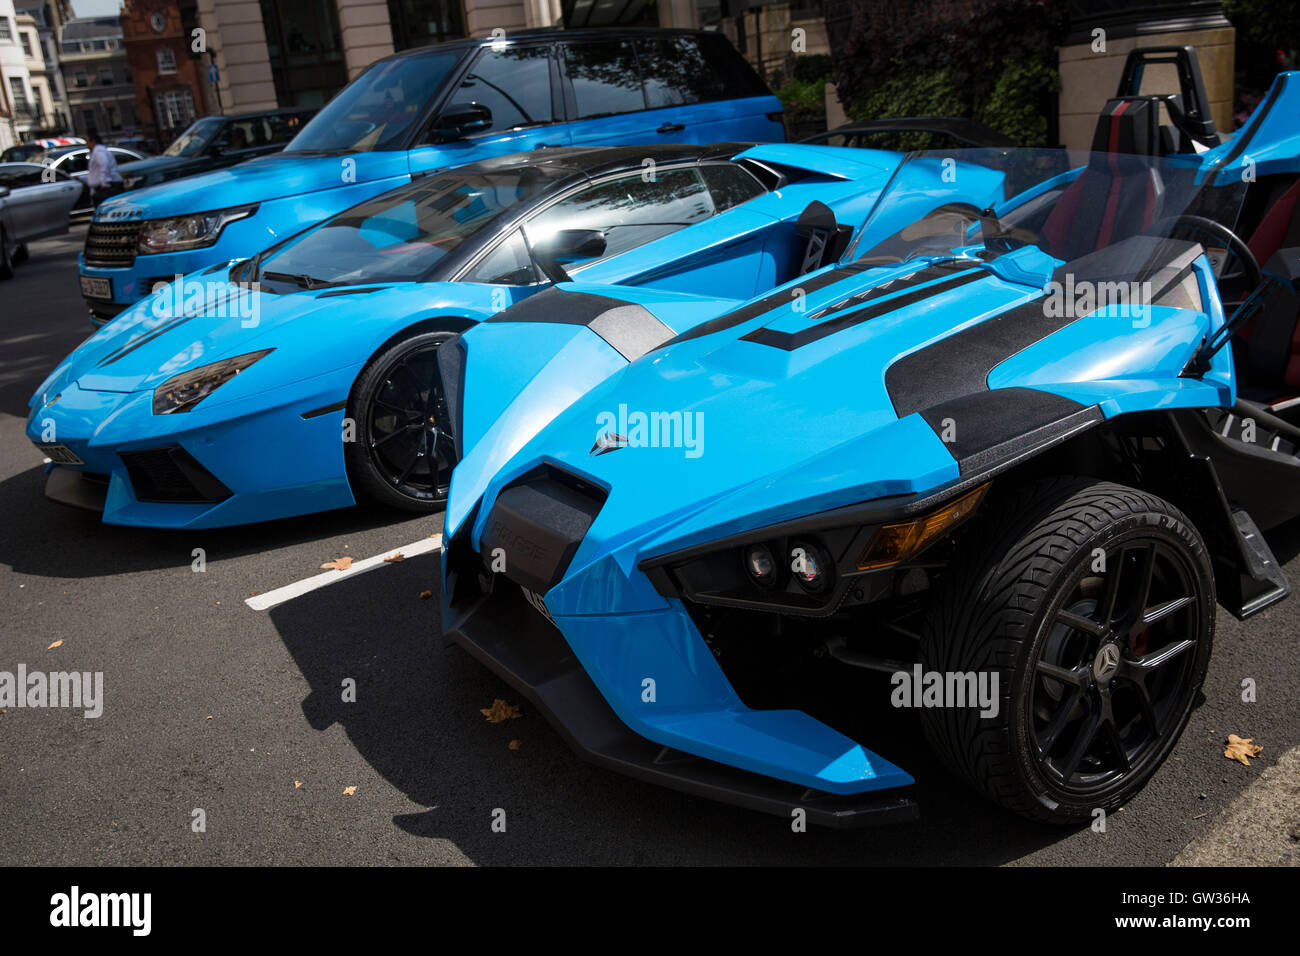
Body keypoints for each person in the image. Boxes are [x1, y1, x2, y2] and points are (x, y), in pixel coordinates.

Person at [85, 133, 124, 207]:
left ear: (93, 141)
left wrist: (104, 183)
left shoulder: (99, 151)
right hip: (106, 184)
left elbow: (104, 166)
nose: (87, 145)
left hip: (109, 185)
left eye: (87, 142)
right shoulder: (97, 151)